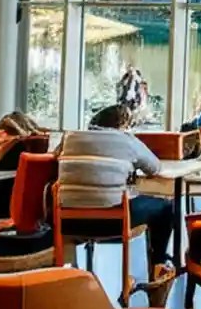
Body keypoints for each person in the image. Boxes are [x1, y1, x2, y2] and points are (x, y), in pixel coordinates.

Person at [57, 105, 175, 277]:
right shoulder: (126, 140)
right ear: (123, 124)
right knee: (165, 207)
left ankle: (69, 272)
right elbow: (154, 167)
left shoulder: (70, 138)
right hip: (112, 224)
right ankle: (159, 265)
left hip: (68, 222)